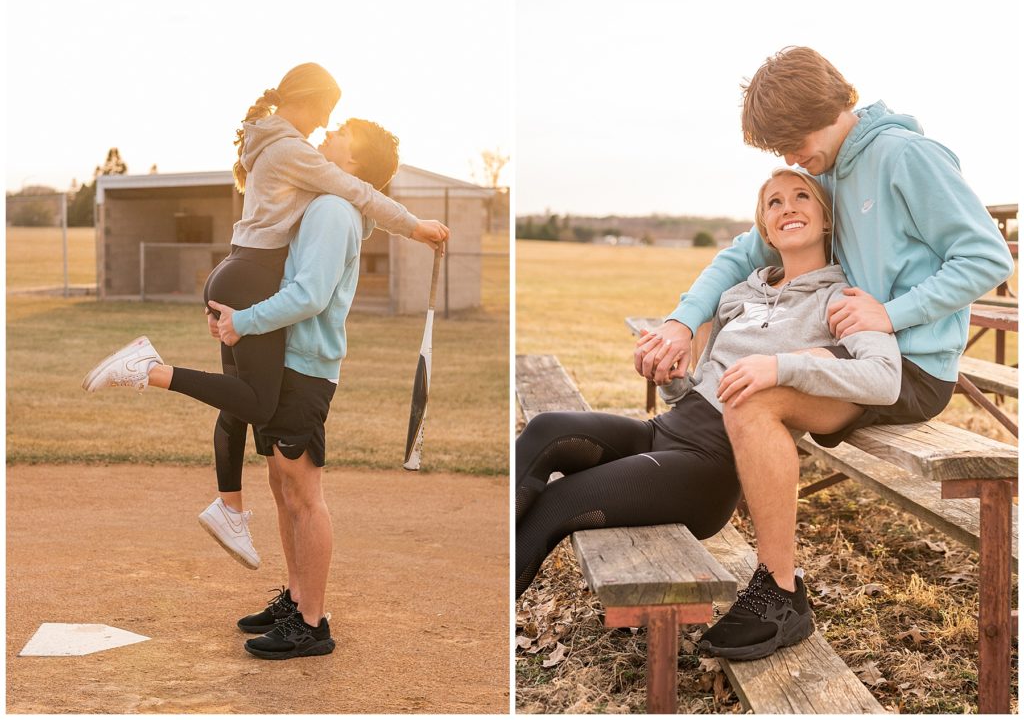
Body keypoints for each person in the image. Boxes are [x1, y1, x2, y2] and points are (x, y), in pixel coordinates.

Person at [634, 47, 1014, 659]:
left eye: (793, 140)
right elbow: (740, 254)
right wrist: (683, 320)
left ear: (832, 108)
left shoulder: (907, 156)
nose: (789, 159)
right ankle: (744, 547)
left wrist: (892, 313)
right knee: (742, 383)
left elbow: (987, 258)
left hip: (908, 367)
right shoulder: (830, 168)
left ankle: (780, 592)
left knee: (753, 396)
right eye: (778, 149)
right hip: (851, 351)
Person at [517, 169, 902, 663]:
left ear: (827, 220)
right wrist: (672, 375)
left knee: (559, 501)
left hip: (708, 467)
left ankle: (481, 614)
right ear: (763, 227)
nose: (788, 207)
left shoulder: (842, 299)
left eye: (802, 196)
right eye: (774, 202)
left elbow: (884, 380)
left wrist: (787, 365)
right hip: (664, 433)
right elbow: (696, 388)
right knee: (548, 427)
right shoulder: (742, 292)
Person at [82, 63, 449, 569]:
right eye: (328, 113)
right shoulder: (294, 151)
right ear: (309, 101)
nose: (326, 125)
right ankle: (151, 371)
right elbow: (359, 193)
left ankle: (230, 507)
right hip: (252, 277)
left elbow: (351, 206)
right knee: (256, 402)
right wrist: (415, 225)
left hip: (234, 270)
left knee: (236, 405)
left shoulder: (268, 141)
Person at [206, 117, 405, 659]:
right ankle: (297, 599)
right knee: (281, 483)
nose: (326, 133)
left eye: (339, 130)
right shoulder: (321, 202)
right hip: (284, 359)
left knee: (303, 492)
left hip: (304, 365)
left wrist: (243, 322)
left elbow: (311, 294)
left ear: (355, 161)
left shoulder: (332, 210)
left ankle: (312, 624)